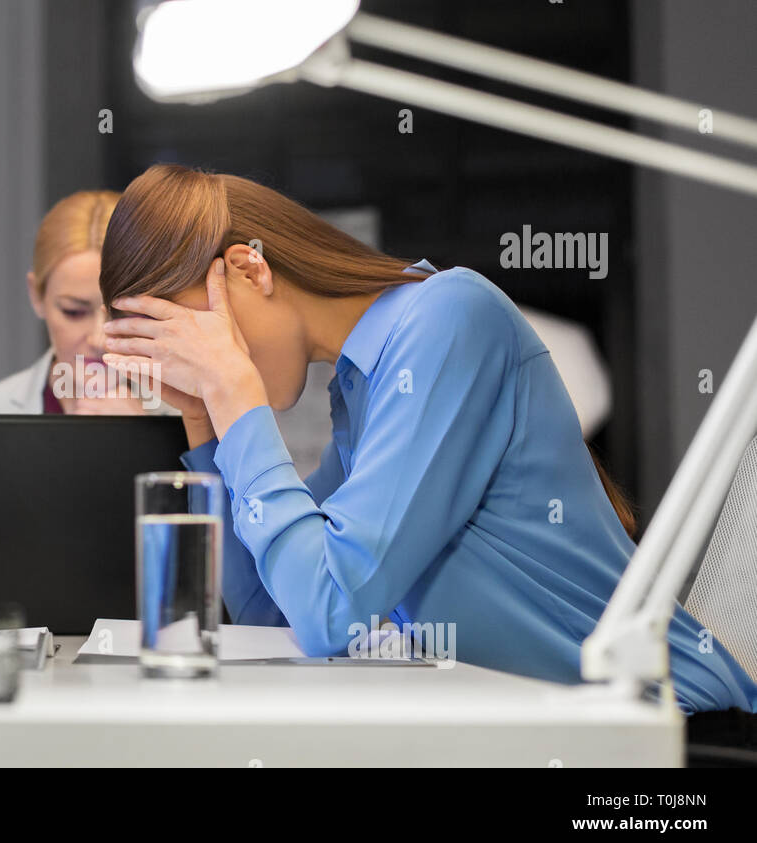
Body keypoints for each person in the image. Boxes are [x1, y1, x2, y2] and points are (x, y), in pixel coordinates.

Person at [97, 163, 756, 715]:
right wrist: (204, 419)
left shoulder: (447, 317)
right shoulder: (360, 386)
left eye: (194, 338)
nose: (202, 363)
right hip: (556, 723)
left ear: (249, 270)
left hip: (663, 727)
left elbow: (332, 615)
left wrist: (235, 394)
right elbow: (277, 615)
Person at [0, 190, 173, 416]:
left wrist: (143, 443)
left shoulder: (193, 418)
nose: (99, 340)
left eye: (122, 313)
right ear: (37, 295)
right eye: (74, 312)